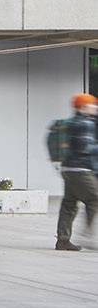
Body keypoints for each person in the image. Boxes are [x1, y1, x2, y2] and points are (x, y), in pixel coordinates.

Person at [48, 92, 98, 251]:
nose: (95, 107)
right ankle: (89, 236)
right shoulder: (85, 124)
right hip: (81, 169)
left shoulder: (71, 123)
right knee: (95, 199)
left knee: (69, 203)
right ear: (84, 106)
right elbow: (86, 148)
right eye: (93, 104)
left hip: (67, 168)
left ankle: (63, 240)